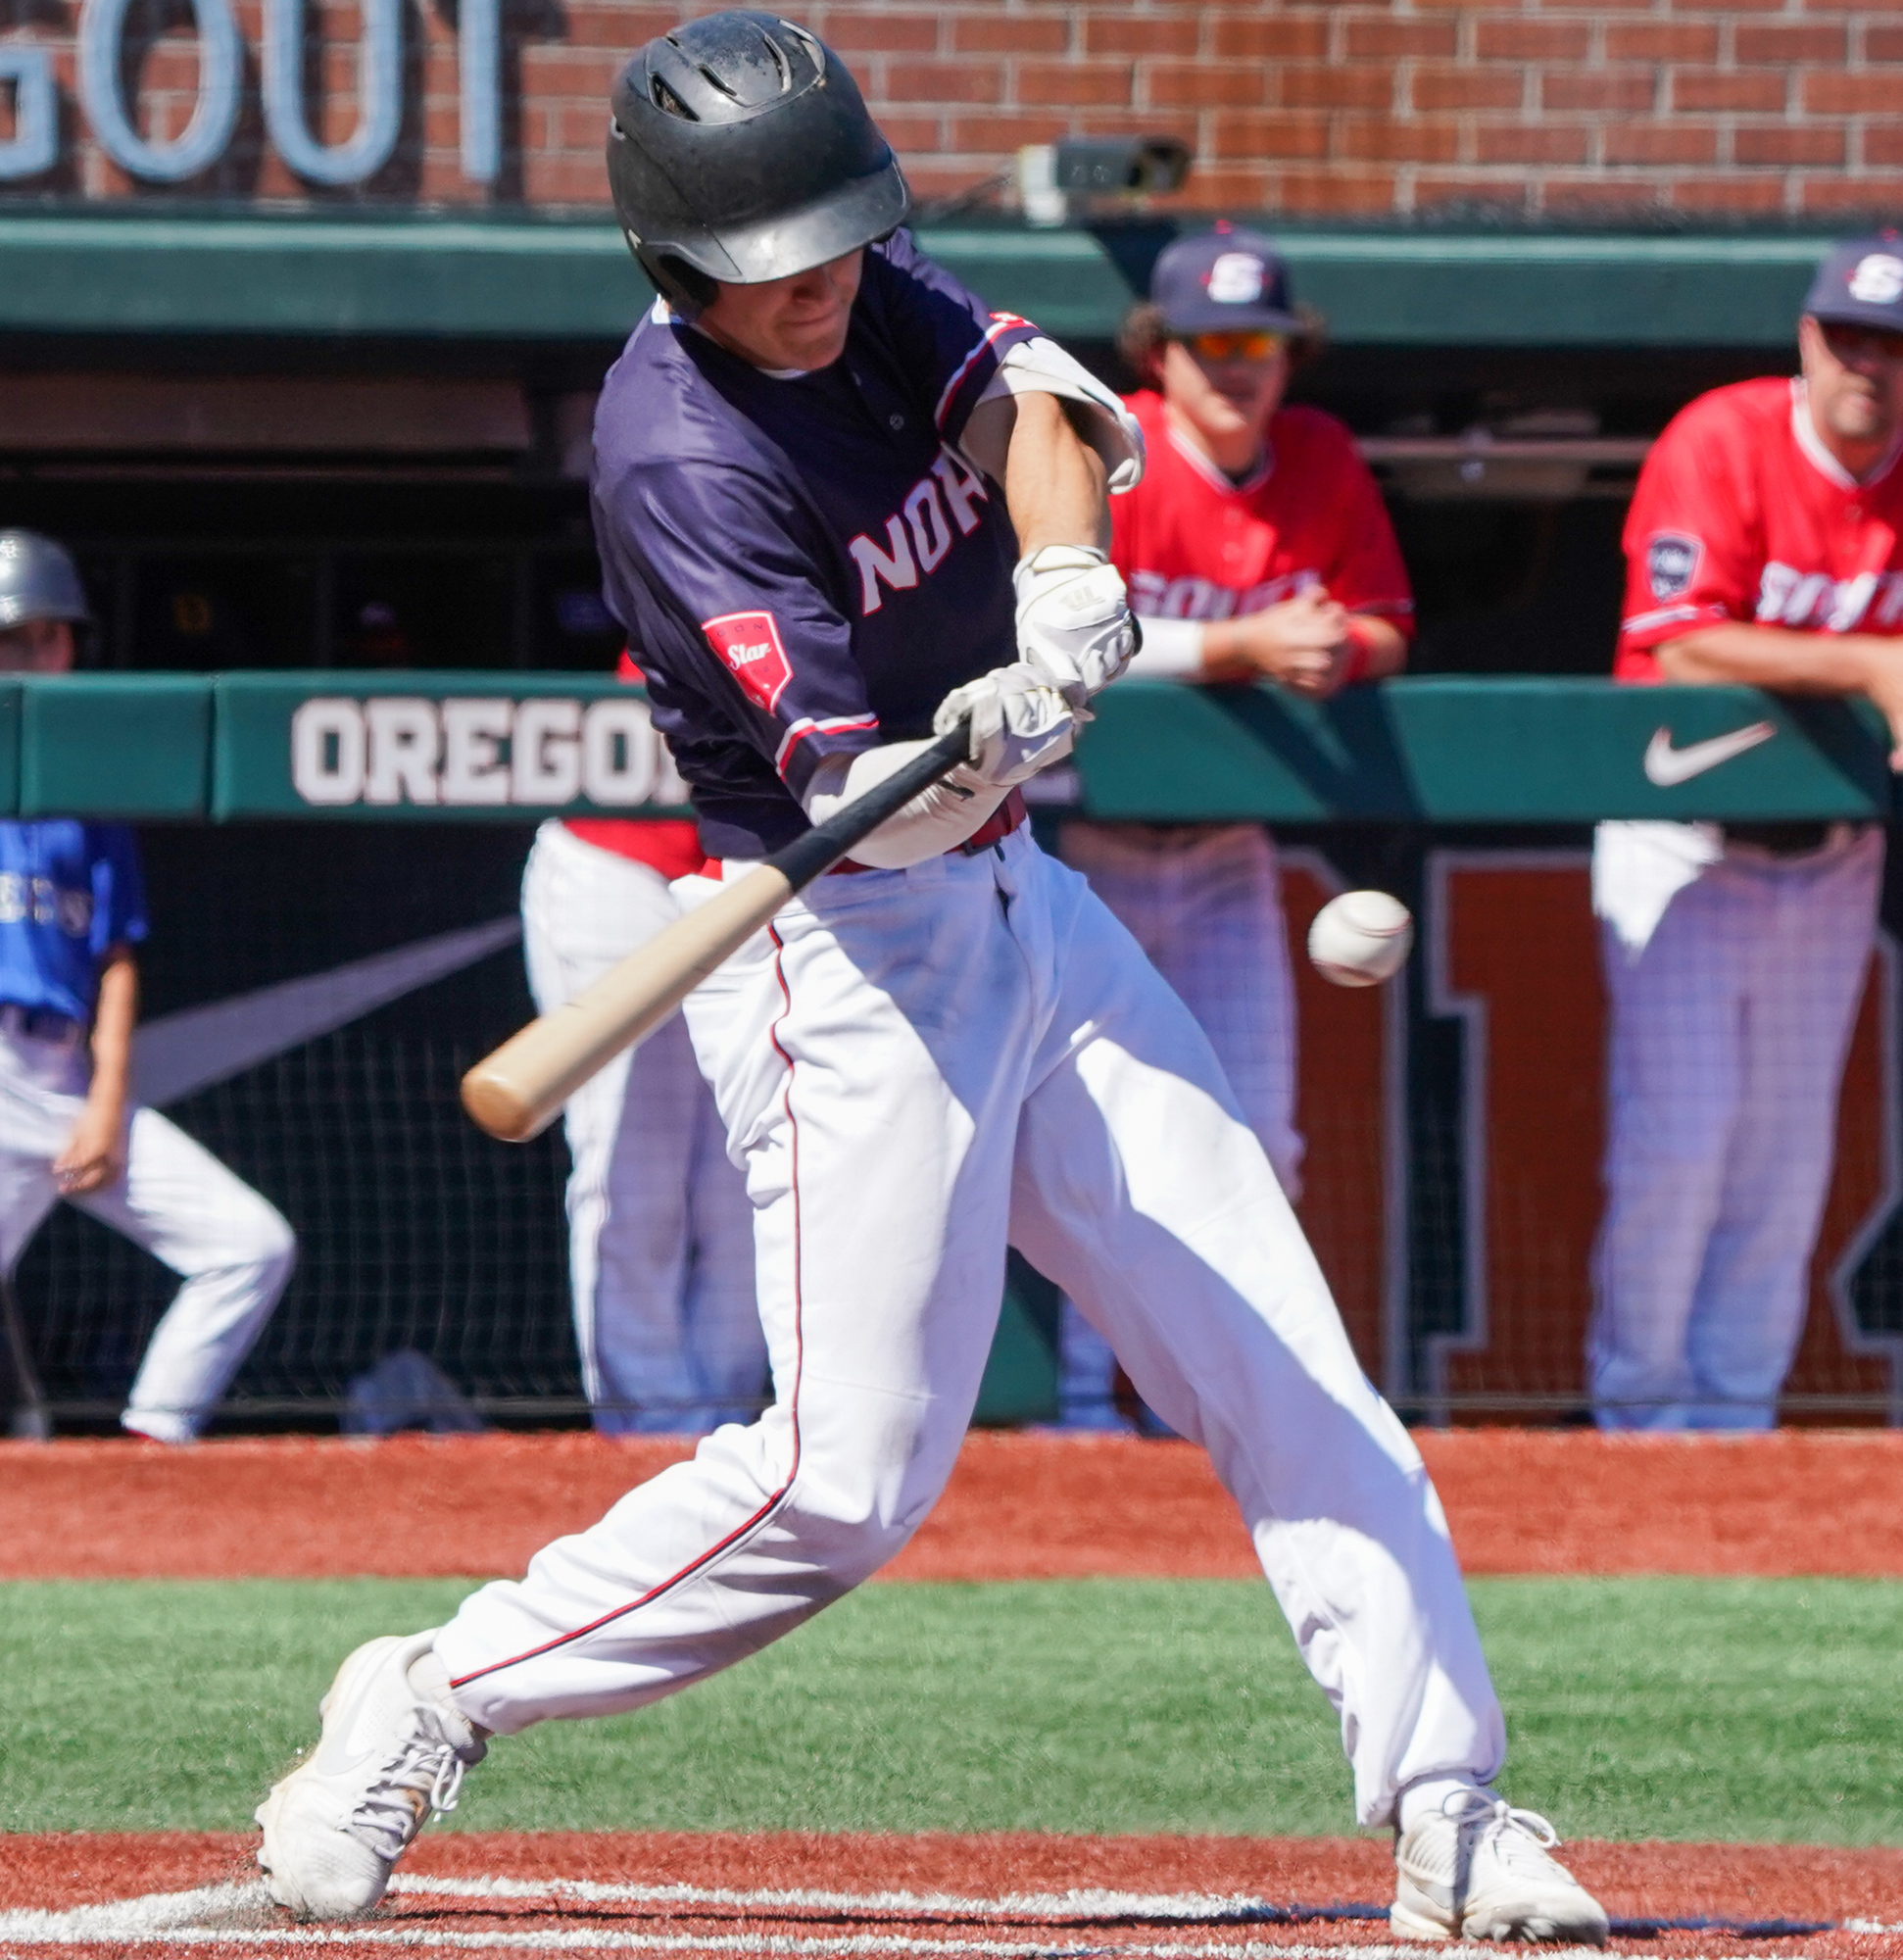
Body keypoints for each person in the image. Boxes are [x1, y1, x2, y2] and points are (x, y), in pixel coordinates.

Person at [253, 17, 1607, 1945]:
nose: (814, 284)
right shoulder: (676, 461)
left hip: (1027, 908)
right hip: (842, 942)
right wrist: (966, 747)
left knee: (1282, 1356)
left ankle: (1447, 1807)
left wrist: (1059, 582)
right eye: (768, 263)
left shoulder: (860, 278)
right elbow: (849, 810)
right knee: (844, 1483)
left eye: (832, 240)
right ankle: (433, 1691)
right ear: (671, 260)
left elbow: (1036, 417)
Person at [1053, 226, 1412, 1430]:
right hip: (1082, 856)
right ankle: (1078, 1400)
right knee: (1084, 1136)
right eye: (1207, 344)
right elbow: (1051, 635)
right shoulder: (1109, 449)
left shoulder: (1319, 455)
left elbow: (1387, 621)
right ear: (1159, 352)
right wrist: (1239, 645)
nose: (1233, 367)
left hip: (1225, 855)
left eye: (1255, 343)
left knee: (1260, 1140)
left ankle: (1240, 1405)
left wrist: (1336, 647)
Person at [1590, 234, 1903, 1431]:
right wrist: (1869, 665)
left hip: (1828, 856)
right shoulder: (1722, 436)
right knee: (1679, 1139)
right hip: (1685, 839)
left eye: (1893, 343)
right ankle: (1639, 1410)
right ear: (1808, 339)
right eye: (1851, 336)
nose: (1870, 363)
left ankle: (1735, 1417)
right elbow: (1681, 639)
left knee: (1784, 1152)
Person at [0, 529, 296, 1443]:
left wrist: (105, 1102)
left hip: (62, 1075)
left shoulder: (91, 784)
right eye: (12, 639)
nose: (33, 656)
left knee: (248, 1245)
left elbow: (117, 958)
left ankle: (150, 1449)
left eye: (47, 636)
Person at [521, 650, 765, 1434]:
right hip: (622, 862)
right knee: (636, 1173)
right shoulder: (704, 572)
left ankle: (727, 1426)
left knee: (749, 1175)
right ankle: (649, 1428)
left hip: (757, 874)